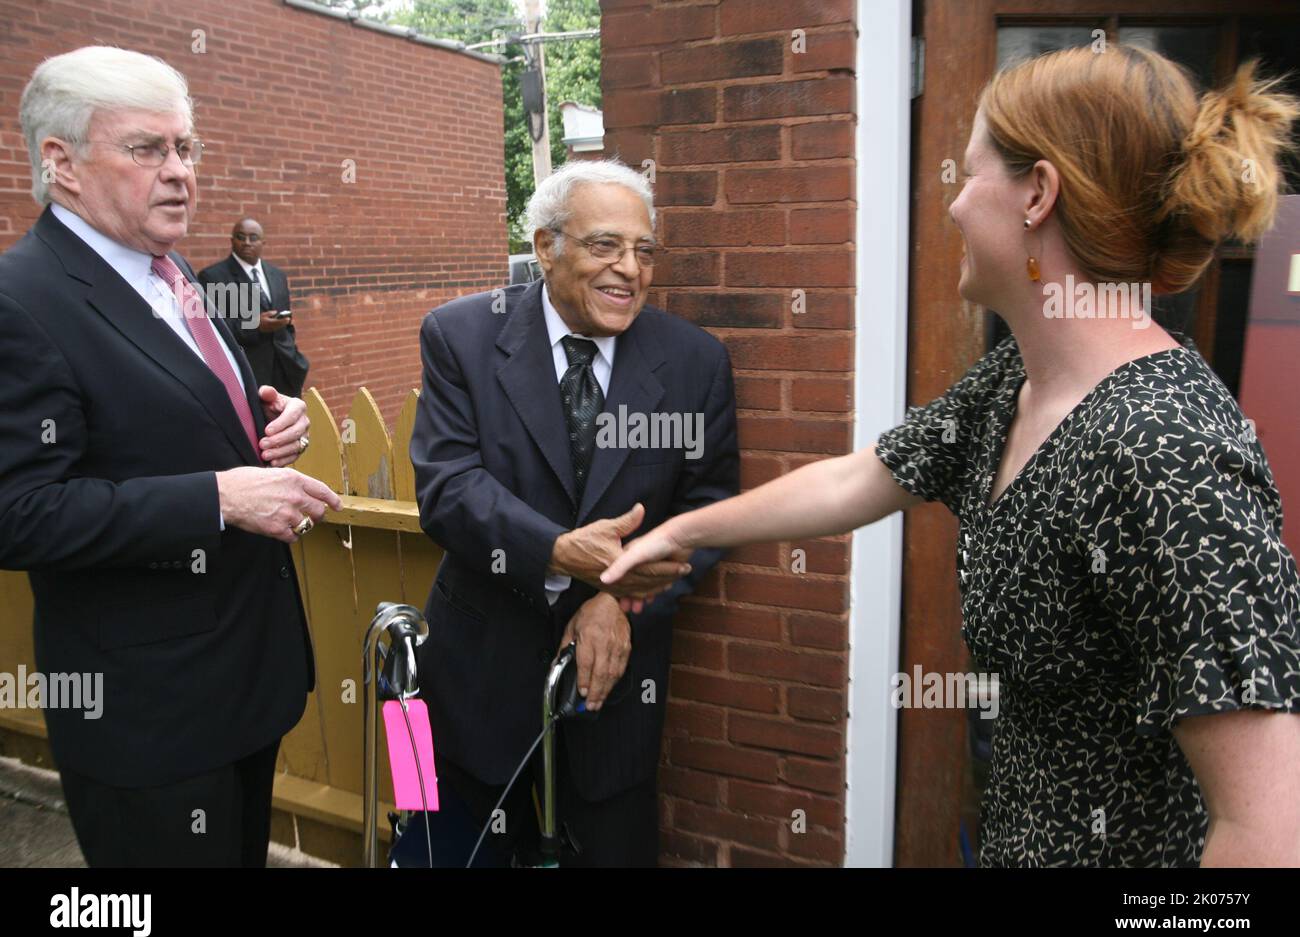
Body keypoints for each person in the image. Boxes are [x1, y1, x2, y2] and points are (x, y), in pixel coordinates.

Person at [603, 46, 1300, 867]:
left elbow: (1267, 829)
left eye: (970, 176)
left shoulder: (1167, 452)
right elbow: (863, 477)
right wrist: (679, 534)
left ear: (1038, 193)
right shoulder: (1018, 380)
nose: (955, 204)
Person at [0, 46, 341, 867]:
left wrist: (268, 423)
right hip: (148, 719)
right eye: (148, 149)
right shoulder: (21, 301)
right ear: (62, 164)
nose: (181, 171)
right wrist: (219, 497)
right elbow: (17, 514)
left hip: (242, 683)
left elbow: (188, 416)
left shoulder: (170, 270)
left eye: (186, 148)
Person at [410, 160, 739, 866]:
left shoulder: (695, 363)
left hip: (614, 693)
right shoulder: (459, 336)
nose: (630, 268)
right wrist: (557, 549)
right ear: (546, 247)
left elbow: (710, 506)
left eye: (644, 250)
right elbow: (447, 489)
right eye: (604, 246)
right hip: (476, 686)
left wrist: (618, 595)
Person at [199, 217, 308, 397]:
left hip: (287, 370)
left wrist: (294, 354)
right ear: (232, 240)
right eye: (241, 237)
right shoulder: (213, 277)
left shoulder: (277, 275)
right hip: (248, 375)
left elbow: (287, 322)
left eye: (253, 238)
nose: (247, 243)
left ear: (263, 242)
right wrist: (255, 325)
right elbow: (214, 331)